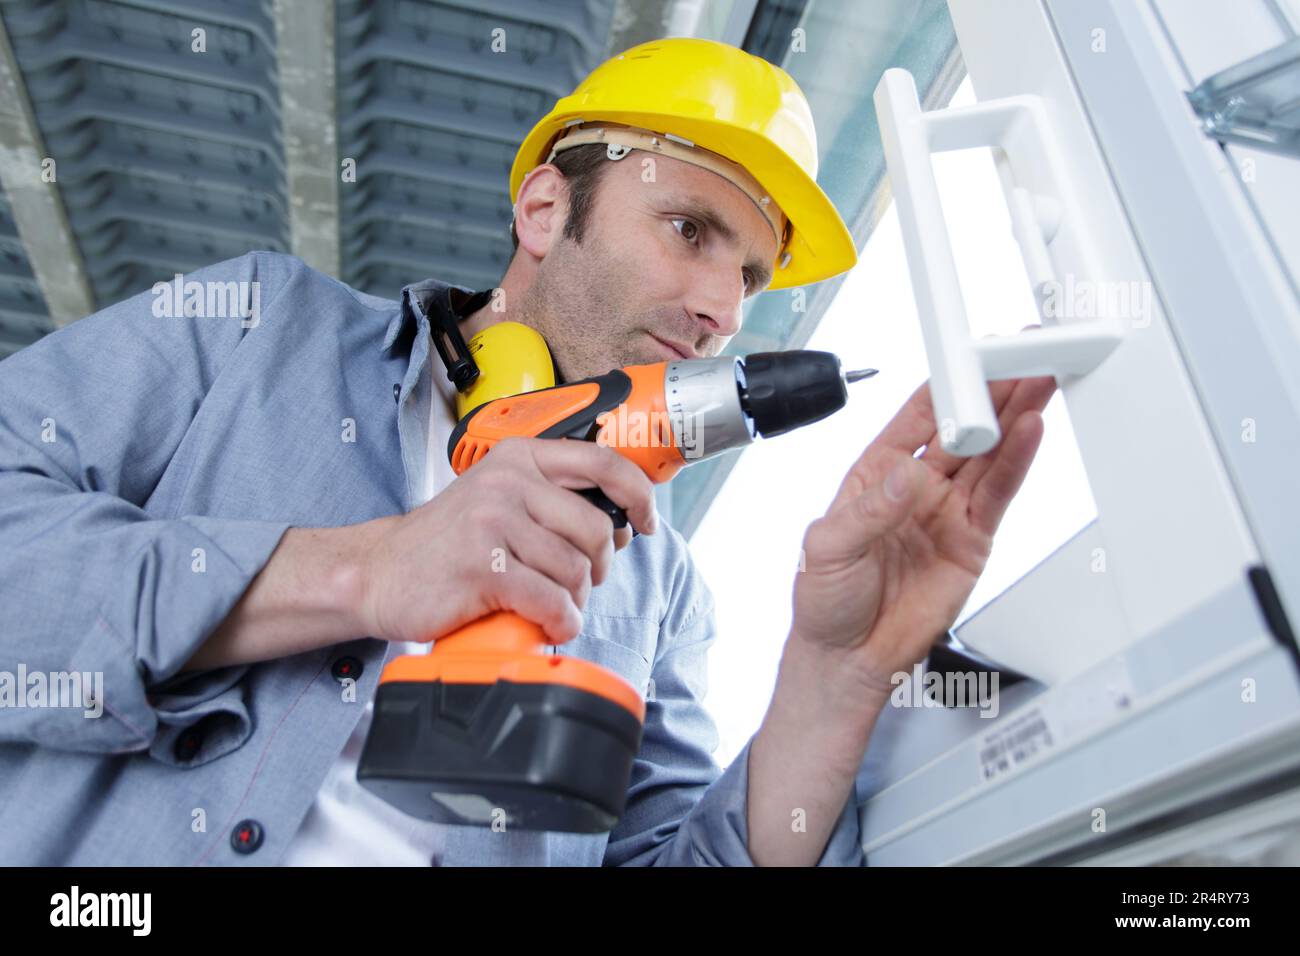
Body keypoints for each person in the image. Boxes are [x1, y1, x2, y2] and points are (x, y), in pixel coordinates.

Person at [0, 37, 1055, 866]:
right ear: (546, 207)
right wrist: (370, 568)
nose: (720, 310)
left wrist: (833, 673)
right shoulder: (258, 329)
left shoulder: (663, 591)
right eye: (690, 230)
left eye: (751, 278)